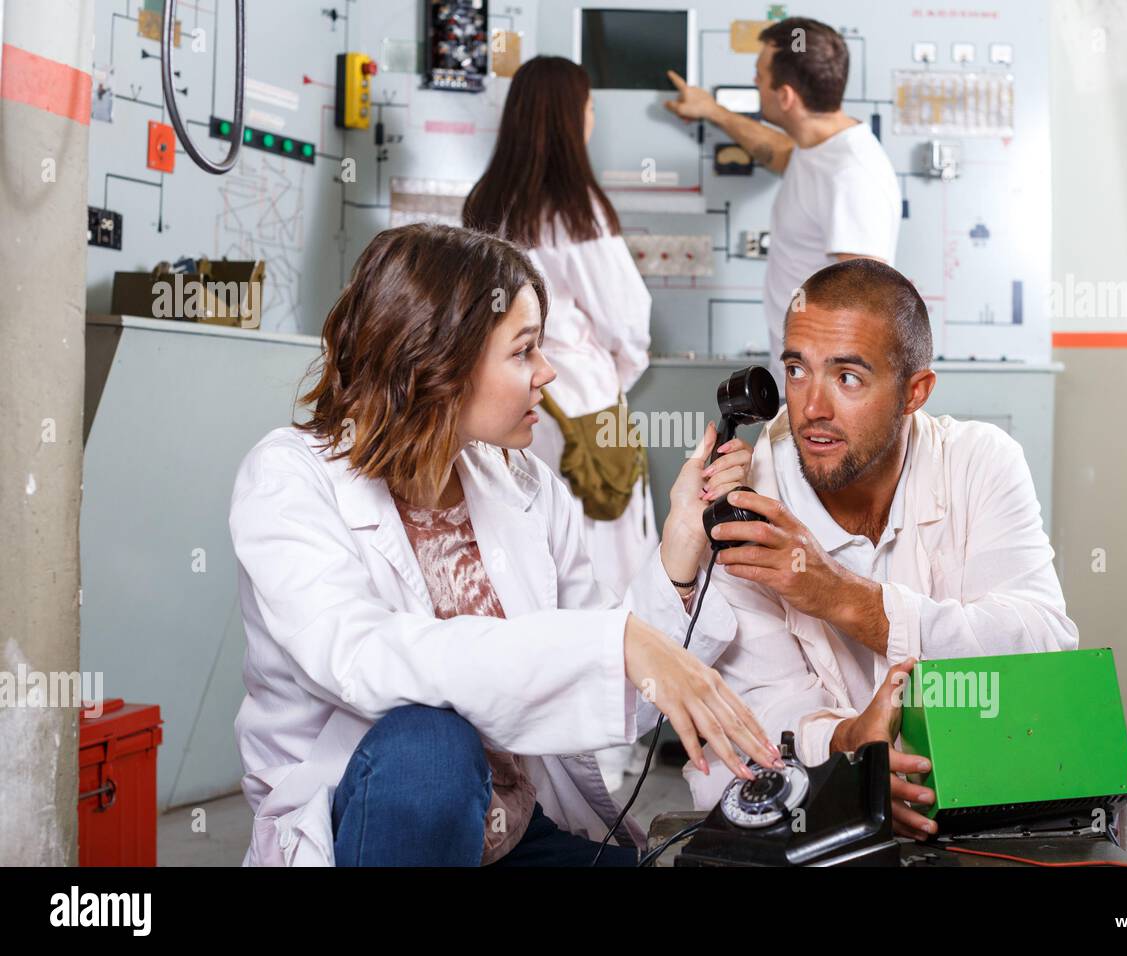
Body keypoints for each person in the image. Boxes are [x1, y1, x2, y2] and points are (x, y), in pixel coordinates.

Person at [229, 223, 779, 867]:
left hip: (512, 832)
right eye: (523, 351)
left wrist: (682, 547)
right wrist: (615, 645)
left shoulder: (519, 483)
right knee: (429, 747)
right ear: (437, 360)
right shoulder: (289, 476)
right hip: (376, 830)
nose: (547, 373)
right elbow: (362, 659)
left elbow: (609, 675)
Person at [686, 258, 1080, 840]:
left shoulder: (979, 461)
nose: (812, 407)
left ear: (914, 391)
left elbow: (1043, 646)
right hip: (817, 814)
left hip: (983, 792)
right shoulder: (747, 500)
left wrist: (846, 599)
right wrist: (852, 757)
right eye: (797, 370)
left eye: (848, 378)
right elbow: (750, 715)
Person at [464, 56, 664, 789]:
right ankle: (608, 744)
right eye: (584, 109)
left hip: (508, 411)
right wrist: (602, 379)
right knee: (612, 563)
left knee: (526, 559)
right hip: (583, 408)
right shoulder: (577, 210)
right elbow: (630, 322)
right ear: (567, 117)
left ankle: (534, 738)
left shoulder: (484, 207)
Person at [664, 17, 901, 387]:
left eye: (760, 75)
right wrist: (712, 111)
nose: (755, 82)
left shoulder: (852, 176)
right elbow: (778, 151)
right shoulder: (818, 150)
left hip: (821, 397)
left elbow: (864, 309)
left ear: (786, 96)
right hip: (798, 381)